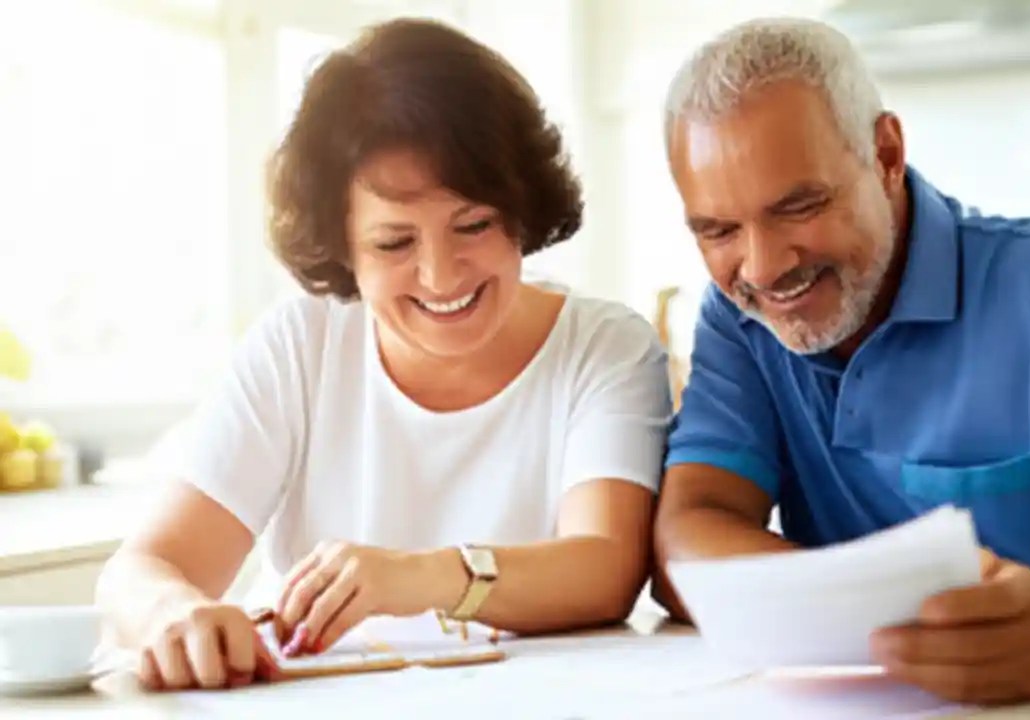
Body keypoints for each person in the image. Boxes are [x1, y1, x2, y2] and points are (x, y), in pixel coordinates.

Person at [653, 16, 1030, 704]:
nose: (765, 267)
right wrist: (865, 608)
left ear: (886, 154)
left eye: (801, 206)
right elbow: (689, 530)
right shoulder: (742, 321)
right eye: (718, 230)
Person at [96, 18, 671, 691]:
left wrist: (416, 576)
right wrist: (178, 612)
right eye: (395, 244)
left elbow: (605, 569)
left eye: (474, 225)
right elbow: (141, 570)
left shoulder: (606, 348)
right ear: (341, 246)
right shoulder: (301, 345)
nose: (441, 275)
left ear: (521, 210)